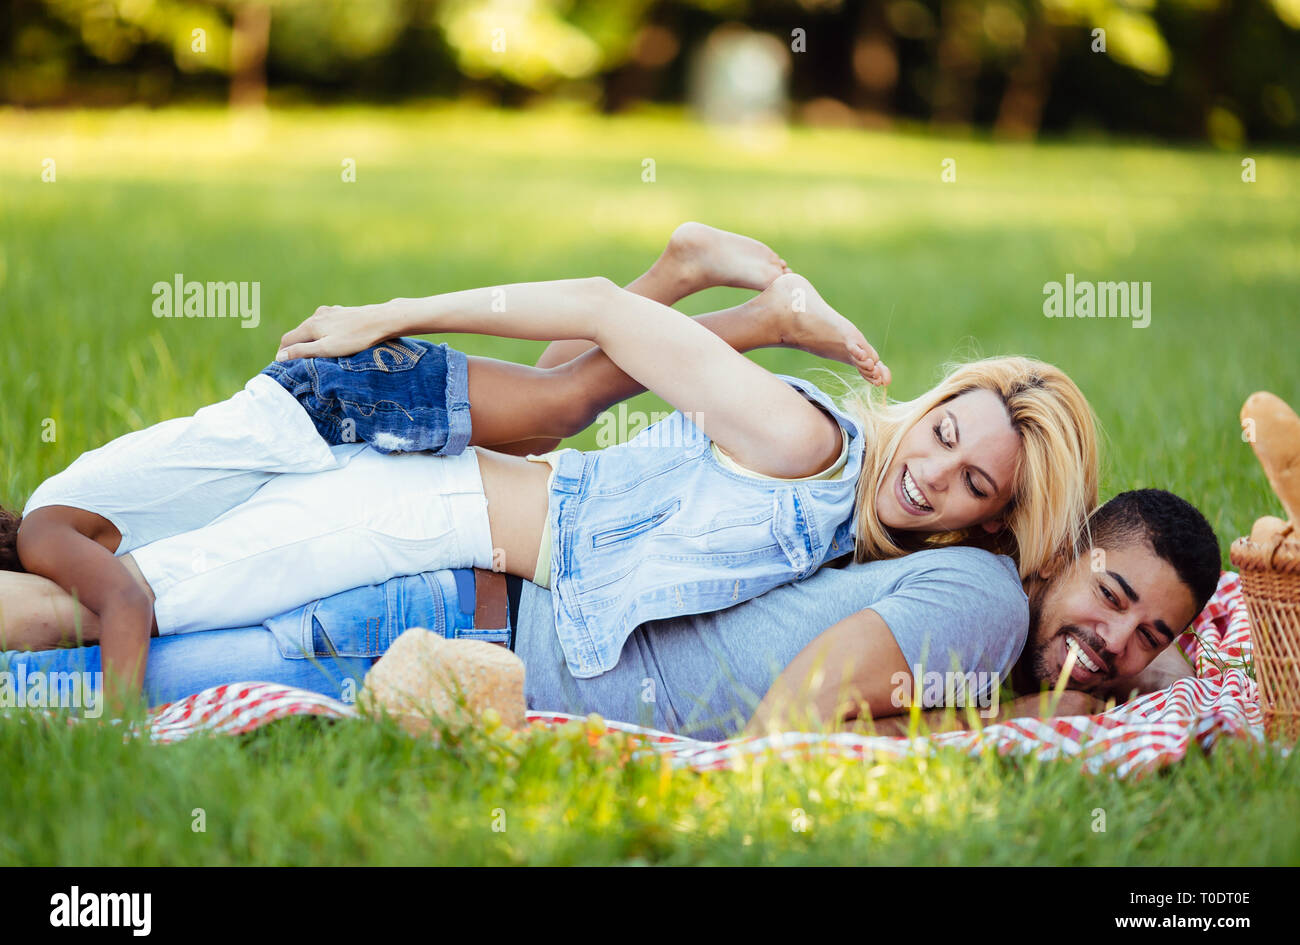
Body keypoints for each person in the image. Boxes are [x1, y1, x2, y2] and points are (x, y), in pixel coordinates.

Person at [10, 221, 1098, 708]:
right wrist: (383, 312)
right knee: (138, 597)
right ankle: (710, 275)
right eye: (946, 434)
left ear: (985, 521)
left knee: (559, 400)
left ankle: (698, 269)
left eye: (972, 486)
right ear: (932, 403)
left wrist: (1124, 647)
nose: (934, 475)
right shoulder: (813, 449)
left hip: (457, 507)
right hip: (416, 514)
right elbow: (592, 310)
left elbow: (617, 362)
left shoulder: (838, 495)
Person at [1, 490, 1221, 741]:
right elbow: (793, 730)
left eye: (1149, 635)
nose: (1112, 646)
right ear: (1059, 554)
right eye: (1111, 598)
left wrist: (1141, 671)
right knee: (73, 686)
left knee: (100, 633)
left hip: (464, 631)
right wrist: (1005, 712)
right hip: (449, 636)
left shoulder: (1004, 639)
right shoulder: (979, 610)